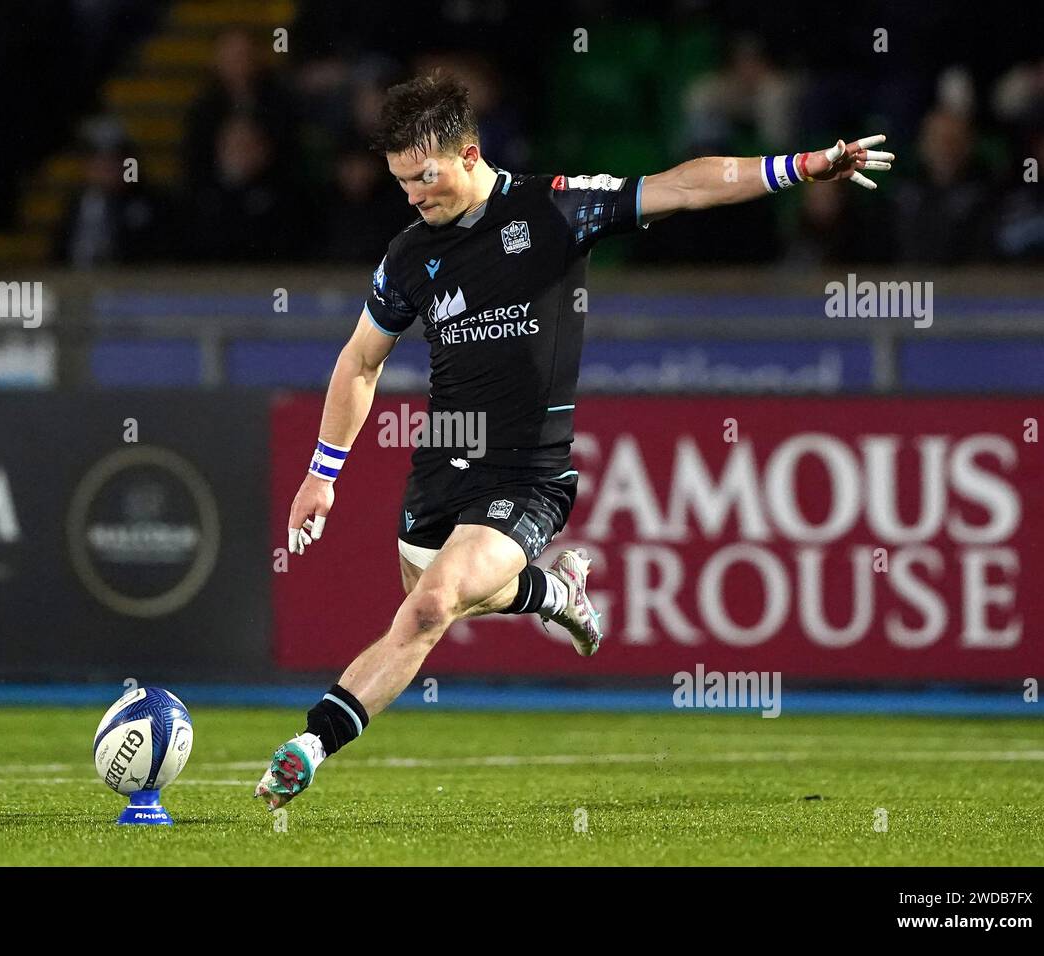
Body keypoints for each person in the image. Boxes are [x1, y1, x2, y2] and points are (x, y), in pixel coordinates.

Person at [255, 73, 894, 809]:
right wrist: (322, 473)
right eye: (400, 182)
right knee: (445, 594)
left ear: (468, 154)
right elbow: (360, 361)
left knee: (432, 607)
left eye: (422, 179)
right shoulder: (408, 255)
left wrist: (798, 166)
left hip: (529, 473)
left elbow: (682, 186)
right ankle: (556, 591)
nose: (412, 196)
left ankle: (308, 747)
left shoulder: (555, 206)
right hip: (443, 463)